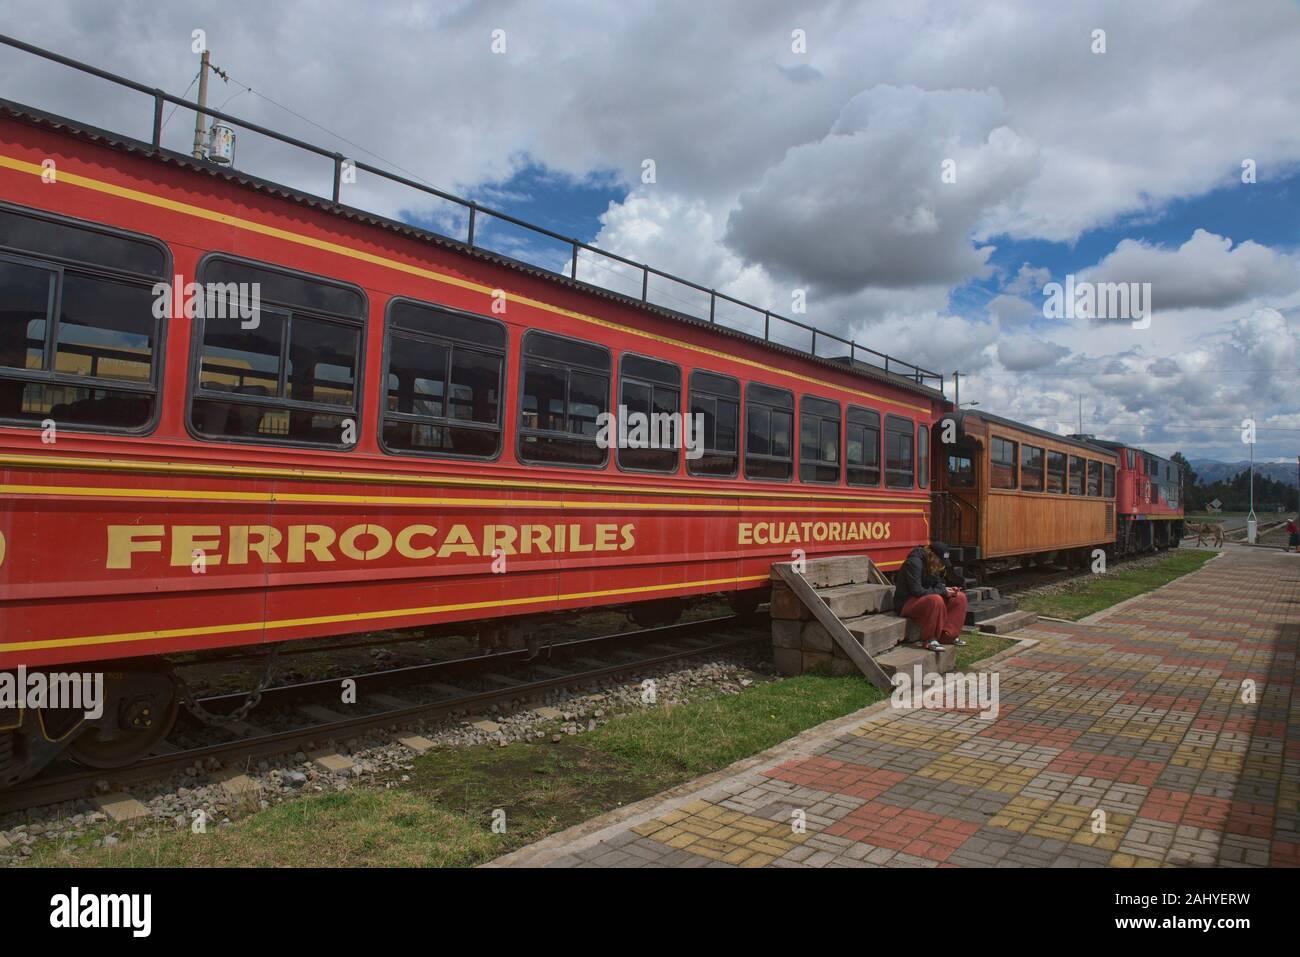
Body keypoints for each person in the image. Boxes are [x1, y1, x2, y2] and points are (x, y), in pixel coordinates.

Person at [892, 541, 968, 651]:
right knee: (936, 599)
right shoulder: (913, 563)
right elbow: (917, 591)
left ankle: (948, 636)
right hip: (906, 603)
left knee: (959, 597)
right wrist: (942, 592)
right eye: (940, 561)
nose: (941, 565)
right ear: (932, 555)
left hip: (924, 599)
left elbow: (937, 584)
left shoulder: (932, 564)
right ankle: (930, 640)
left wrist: (946, 590)